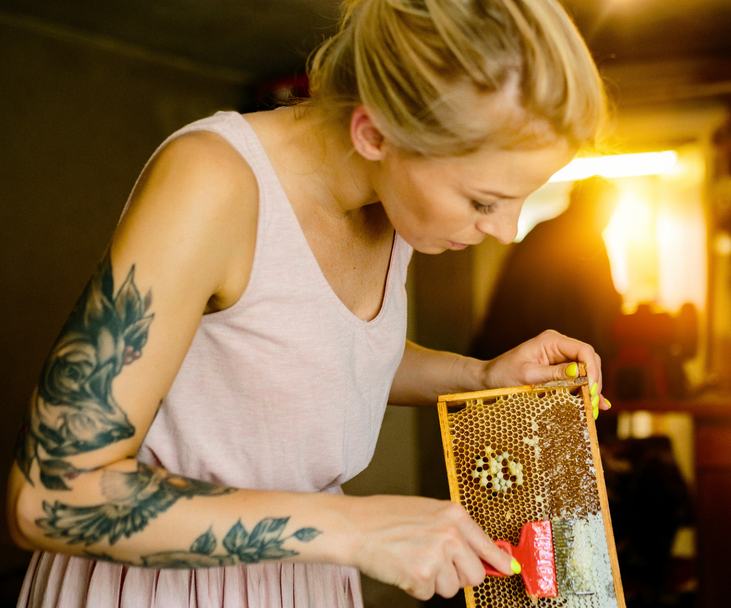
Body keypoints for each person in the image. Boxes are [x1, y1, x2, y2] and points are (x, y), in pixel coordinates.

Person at [5, 0, 611, 605]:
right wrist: (356, 526)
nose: (507, 231)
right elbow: (52, 497)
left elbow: (312, 352)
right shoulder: (214, 182)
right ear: (375, 134)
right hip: (161, 585)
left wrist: (478, 375)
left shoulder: (390, 207)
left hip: (305, 578)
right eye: (483, 201)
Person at [471, 176, 623, 365]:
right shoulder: (589, 241)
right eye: (608, 209)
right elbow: (604, 300)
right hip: (550, 357)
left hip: (505, 351)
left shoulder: (541, 230)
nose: (607, 217)